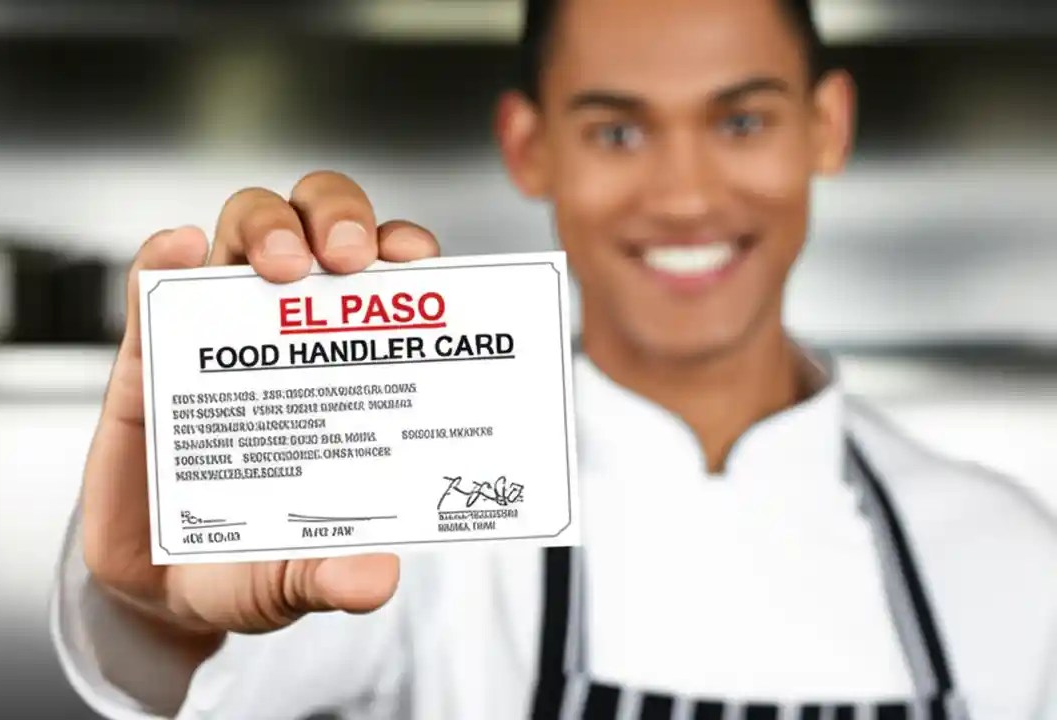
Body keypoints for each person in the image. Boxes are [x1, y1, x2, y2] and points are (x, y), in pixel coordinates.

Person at [51, 0, 1057, 717]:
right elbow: (190, 684)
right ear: (527, 144)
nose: (682, 196)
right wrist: (158, 605)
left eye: (739, 119)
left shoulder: (1007, 556)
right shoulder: (411, 497)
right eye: (616, 129)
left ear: (824, 125)